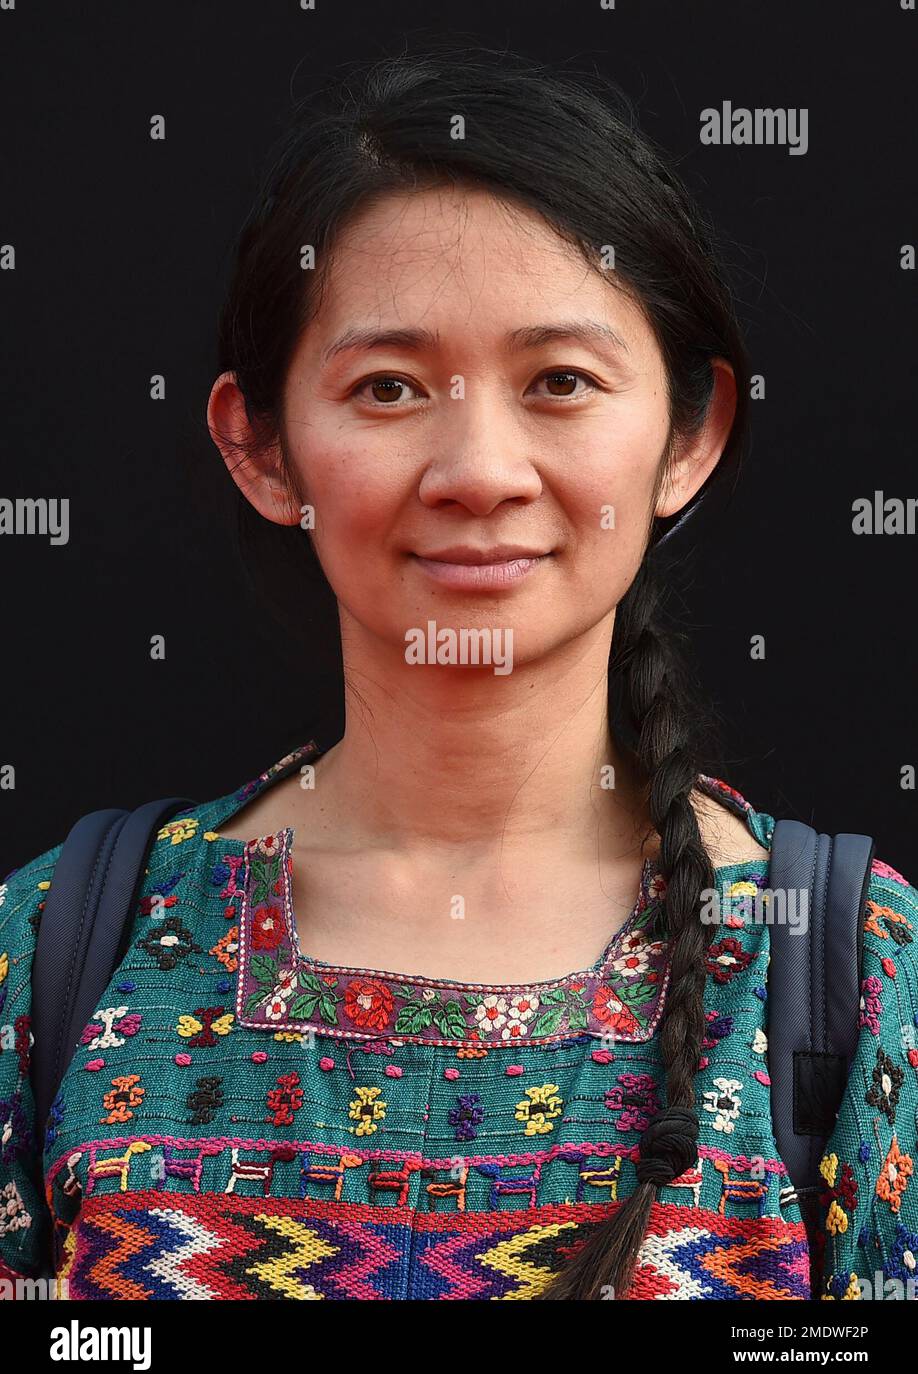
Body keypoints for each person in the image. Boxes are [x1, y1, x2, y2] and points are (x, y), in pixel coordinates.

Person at [1, 42, 915, 1302]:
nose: (480, 469)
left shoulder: (849, 974)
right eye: (388, 387)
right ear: (263, 450)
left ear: (686, 437)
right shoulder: (61, 953)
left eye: (560, 382)